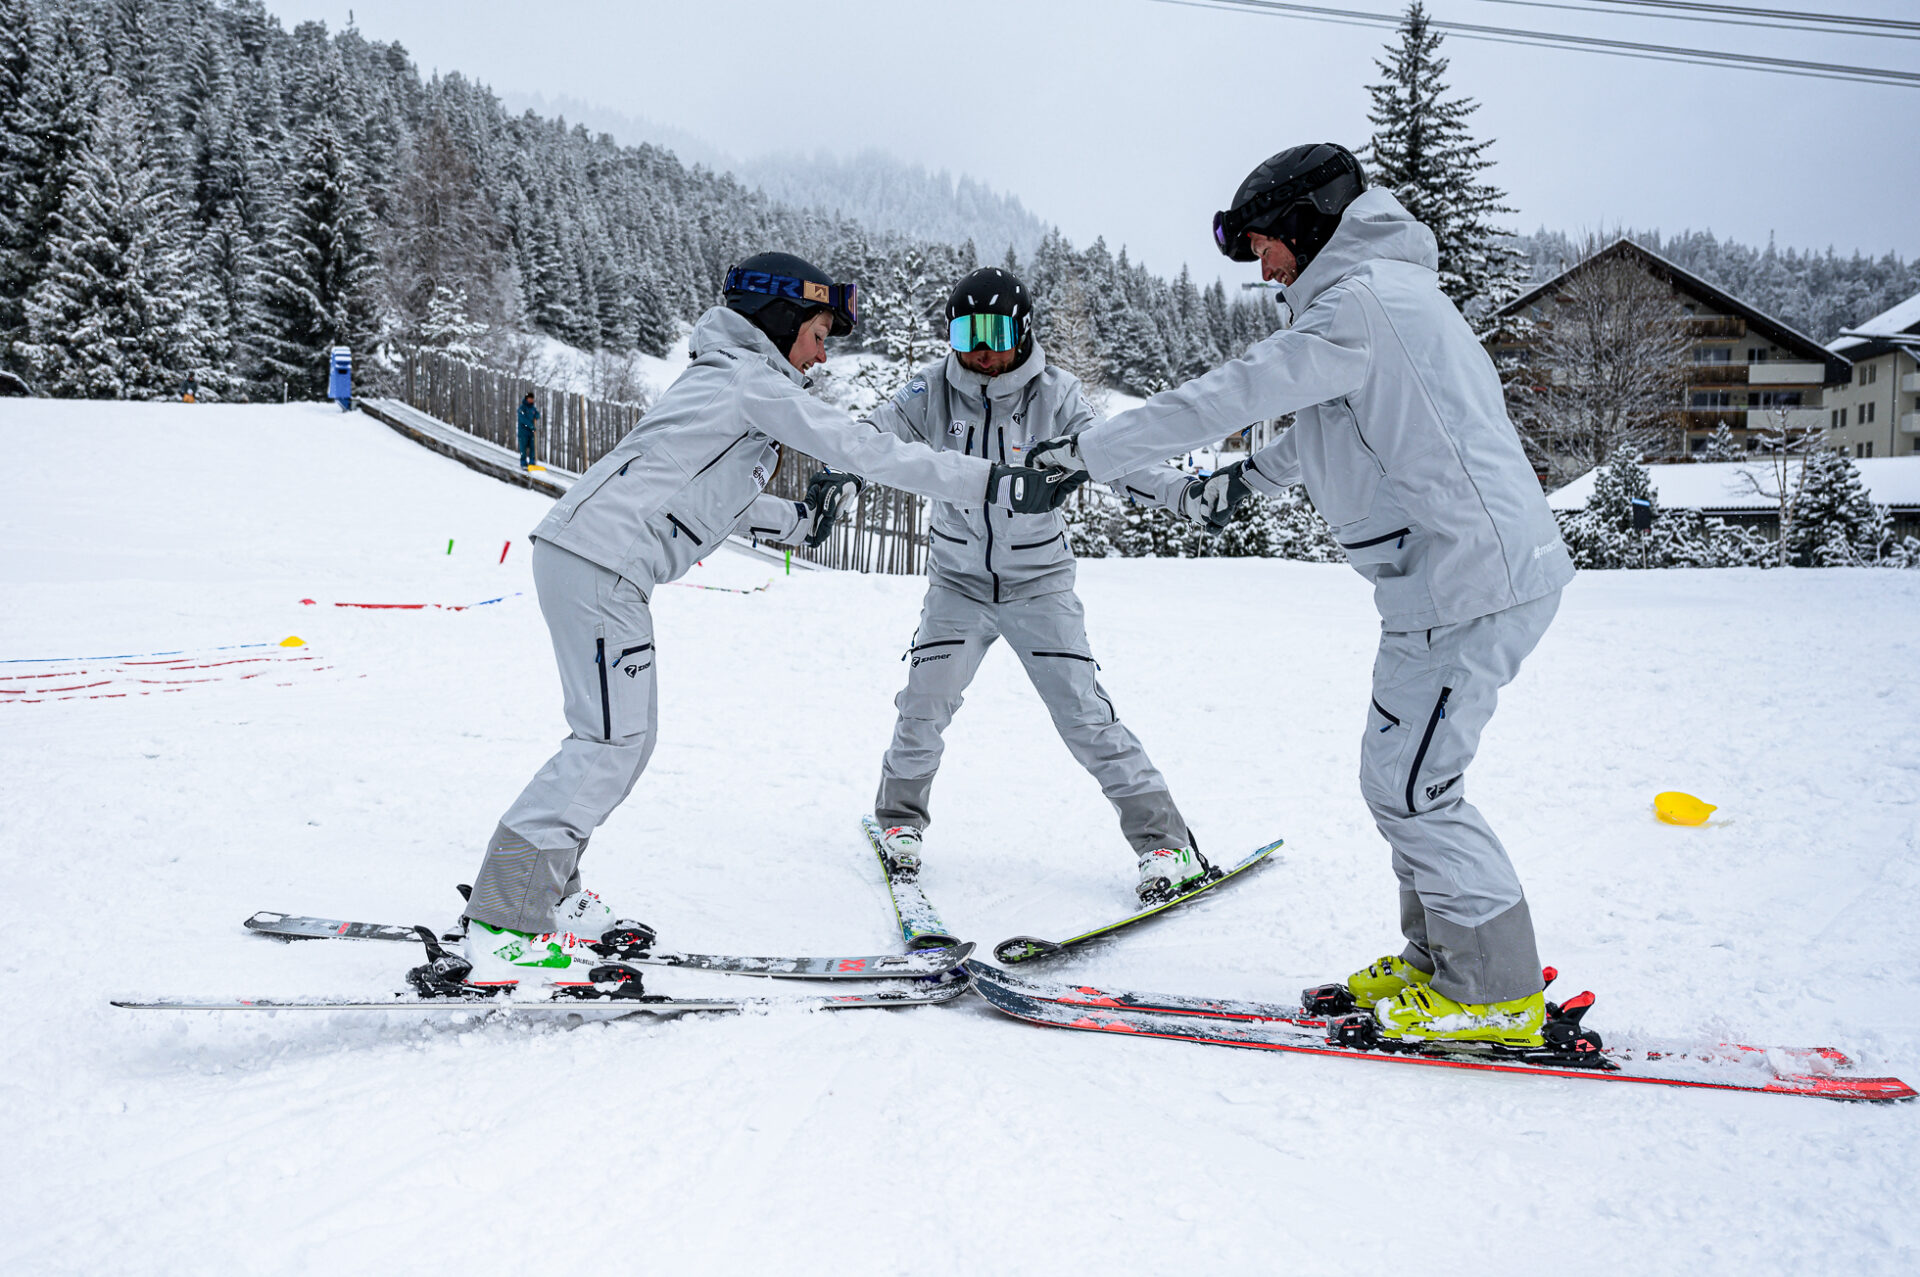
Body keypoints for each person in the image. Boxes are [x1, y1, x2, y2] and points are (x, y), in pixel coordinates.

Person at [1026, 144, 1576, 1047]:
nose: (1262, 266)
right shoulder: (1370, 305)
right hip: (1439, 581)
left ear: (1309, 224)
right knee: (1402, 779)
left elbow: (1231, 393)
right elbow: (1326, 427)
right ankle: (1443, 960)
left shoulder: (1358, 306)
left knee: (1415, 785)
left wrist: (1084, 457)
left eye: (1265, 245)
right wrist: (1241, 485)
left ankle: (1491, 987)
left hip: (1467, 577)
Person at [454, 251, 1074, 990]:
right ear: (778, 322)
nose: (819, 354)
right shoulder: (751, 381)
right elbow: (865, 448)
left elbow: (701, 494)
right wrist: (993, 480)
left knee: (619, 739)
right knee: (608, 741)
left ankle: (549, 889)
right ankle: (504, 920)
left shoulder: (727, 381)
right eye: (816, 334)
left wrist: (794, 516)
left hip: (589, 559)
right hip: (599, 566)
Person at [864, 267, 1207, 904]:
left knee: (1084, 714)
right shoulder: (933, 392)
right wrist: (845, 474)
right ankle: (898, 824)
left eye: (993, 329)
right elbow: (871, 435)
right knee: (924, 703)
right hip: (957, 585)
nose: (980, 347)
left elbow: (1118, 459)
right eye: (965, 330)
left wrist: (1181, 494)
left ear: (1021, 330)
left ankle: (1165, 842)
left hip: (1038, 586)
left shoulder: (1057, 396)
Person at [517, 393, 541, 469]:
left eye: (532, 398)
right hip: (523, 432)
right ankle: (523, 463)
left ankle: (532, 463)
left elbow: (537, 414)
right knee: (523, 448)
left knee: (532, 447)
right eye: (530, 398)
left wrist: (536, 416)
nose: (532, 400)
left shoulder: (532, 408)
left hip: (531, 432)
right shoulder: (522, 408)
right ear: (527, 399)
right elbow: (523, 420)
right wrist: (531, 426)